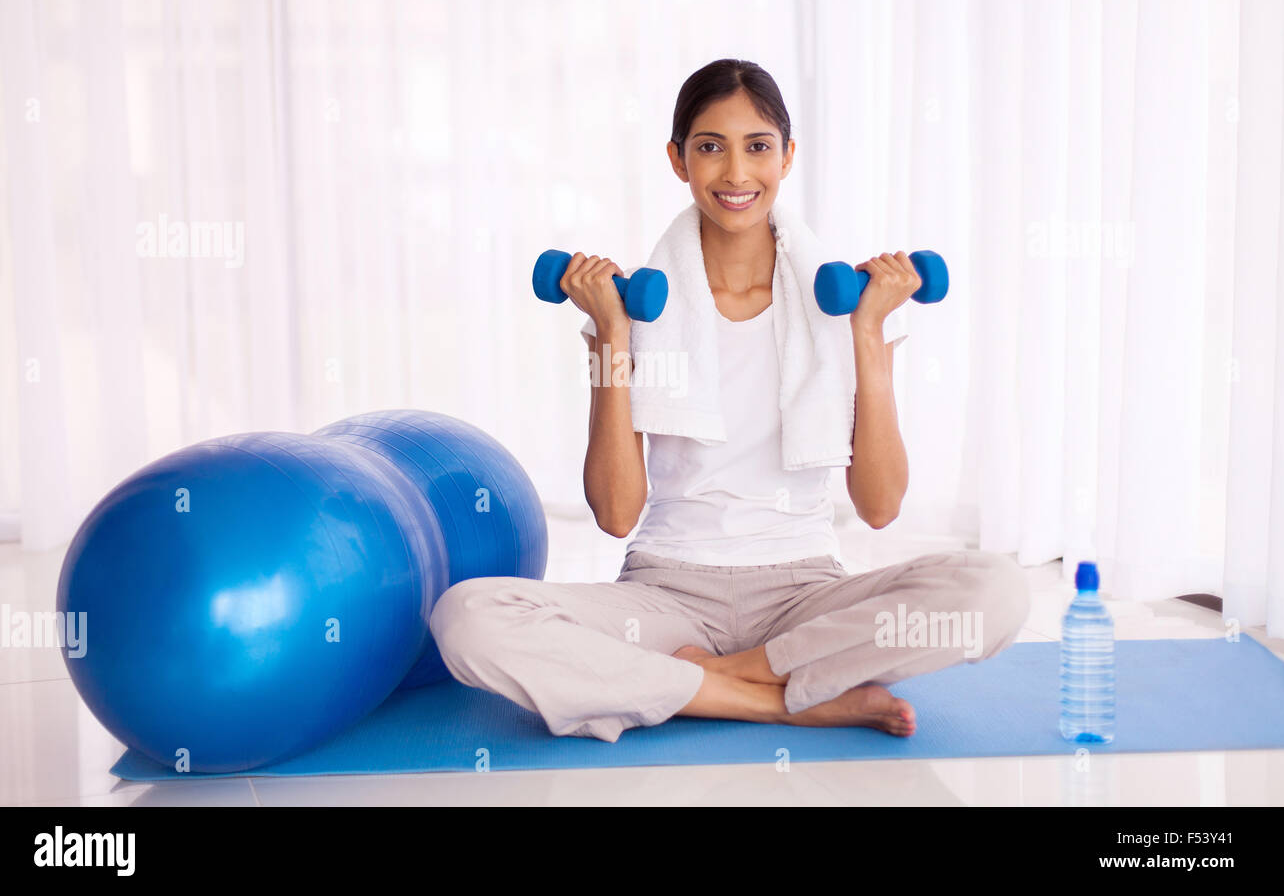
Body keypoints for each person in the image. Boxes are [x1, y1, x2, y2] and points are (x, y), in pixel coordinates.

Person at [430, 58, 1030, 742]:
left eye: (758, 147)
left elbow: (881, 506)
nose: (737, 173)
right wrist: (612, 338)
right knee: (468, 616)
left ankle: (713, 678)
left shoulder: (838, 305)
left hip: (805, 595)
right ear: (678, 161)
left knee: (997, 593)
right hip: (665, 598)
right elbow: (617, 515)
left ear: (788, 155)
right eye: (710, 147)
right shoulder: (641, 311)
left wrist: (867, 333)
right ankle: (777, 697)